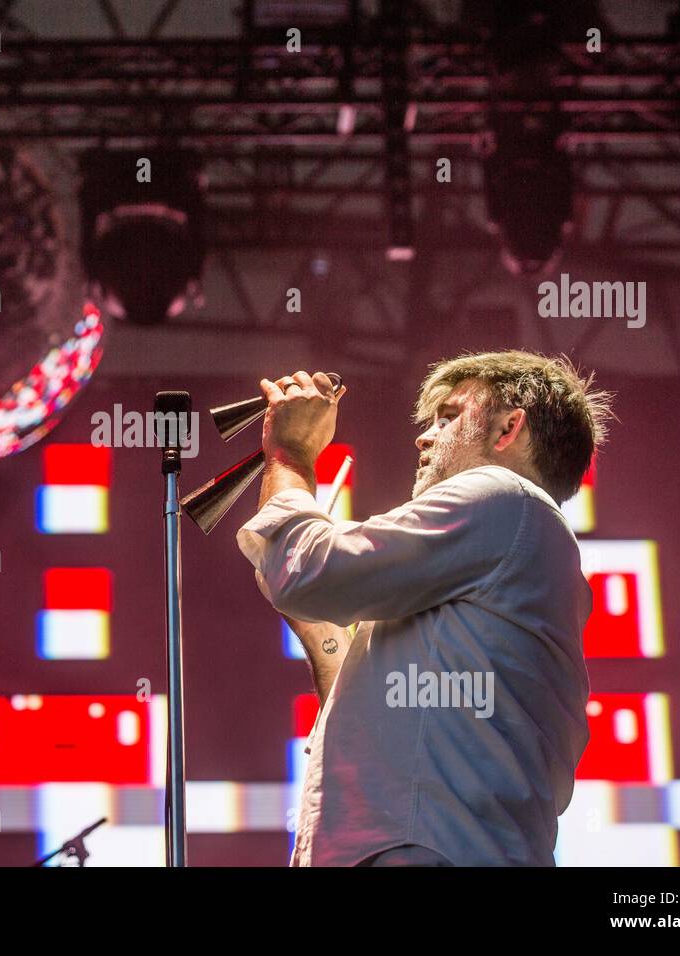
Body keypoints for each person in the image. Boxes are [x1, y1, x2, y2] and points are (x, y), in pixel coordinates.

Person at [236, 350, 615, 866]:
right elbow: (380, 717)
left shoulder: (507, 497)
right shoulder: (510, 547)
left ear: (508, 428)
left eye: (448, 416)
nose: (424, 435)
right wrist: (321, 631)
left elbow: (304, 570)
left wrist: (291, 455)